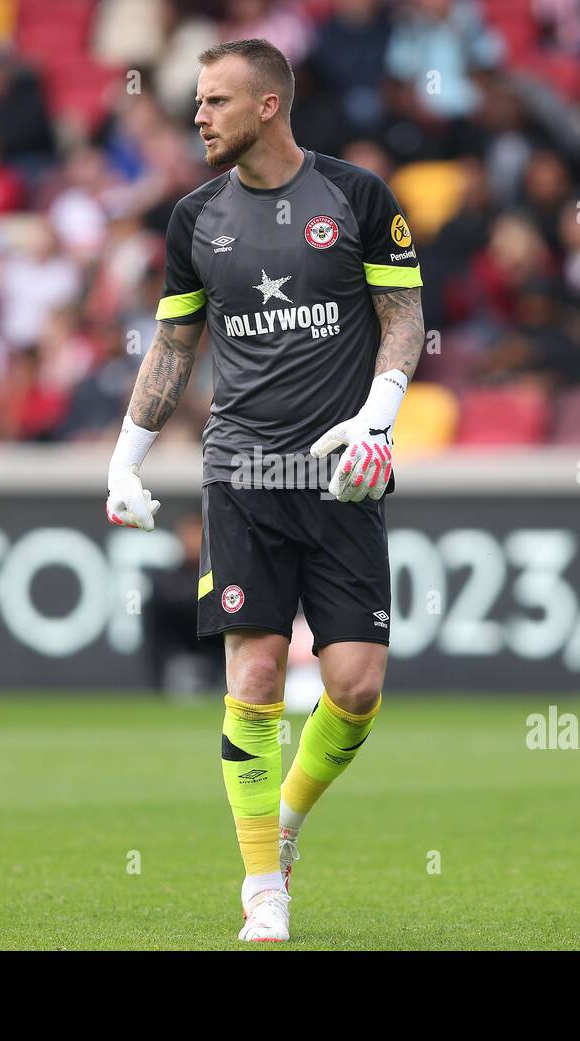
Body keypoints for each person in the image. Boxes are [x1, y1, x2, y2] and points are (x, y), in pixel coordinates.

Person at [102, 38, 424, 942]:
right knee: (252, 670)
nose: (197, 116)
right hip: (241, 472)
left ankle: (281, 822)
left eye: (214, 101)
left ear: (268, 106)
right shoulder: (194, 219)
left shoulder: (357, 198)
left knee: (356, 686)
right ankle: (262, 889)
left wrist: (380, 414)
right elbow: (172, 347)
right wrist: (125, 456)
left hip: (341, 475)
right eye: (198, 101)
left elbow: (404, 316)